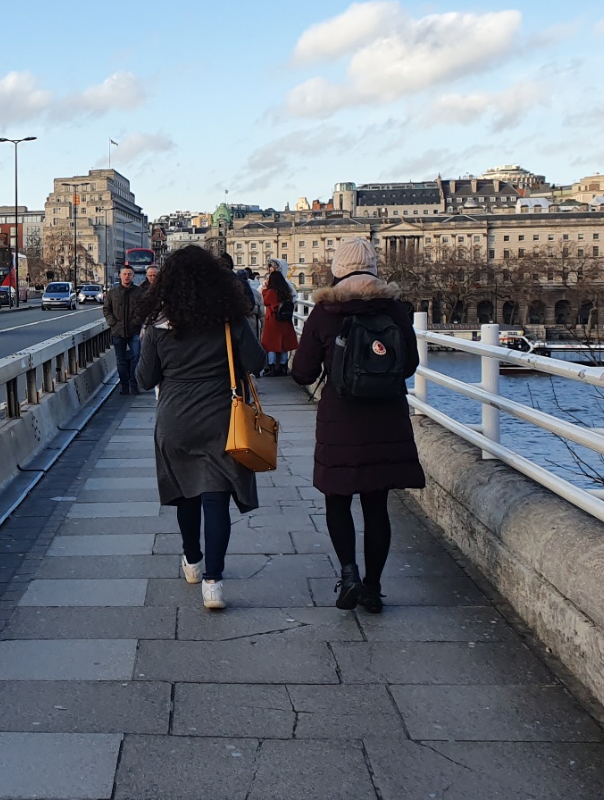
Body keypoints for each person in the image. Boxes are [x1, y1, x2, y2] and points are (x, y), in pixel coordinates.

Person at [290, 237, 425, 614]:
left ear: (338, 268)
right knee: (377, 504)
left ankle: (348, 575)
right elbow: (410, 365)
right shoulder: (396, 310)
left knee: (337, 499)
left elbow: (302, 373)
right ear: (374, 268)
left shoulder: (325, 311)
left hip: (341, 418)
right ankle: (373, 587)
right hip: (387, 418)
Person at [136, 246, 266, 610]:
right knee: (215, 498)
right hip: (220, 417)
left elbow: (145, 379)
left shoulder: (158, 326)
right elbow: (257, 362)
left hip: (175, 418)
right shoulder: (229, 320)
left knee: (186, 493)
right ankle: (214, 582)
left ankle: (191, 561)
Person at [101, 265, 145, 394]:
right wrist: (112, 322)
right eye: (124, 274)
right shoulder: (112, 293)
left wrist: (137, 321)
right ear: (120, 275)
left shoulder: (139, 292)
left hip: (134, 331)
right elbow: (106, 309)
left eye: (129, 274)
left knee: (136, 357)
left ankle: (134, 383)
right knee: (120, 360)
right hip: (118, 331)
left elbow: (143, 309)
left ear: (133, 276)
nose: (127, 276)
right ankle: (124, 386)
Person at [260, 259, 298, 377]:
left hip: (273, 320)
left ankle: (272, 368)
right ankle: (283, 367)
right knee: (283, 345)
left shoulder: (271, 291)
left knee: (271, 345)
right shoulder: (286, 290)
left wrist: (265, 289)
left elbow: (265, 302)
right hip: (285, 320)